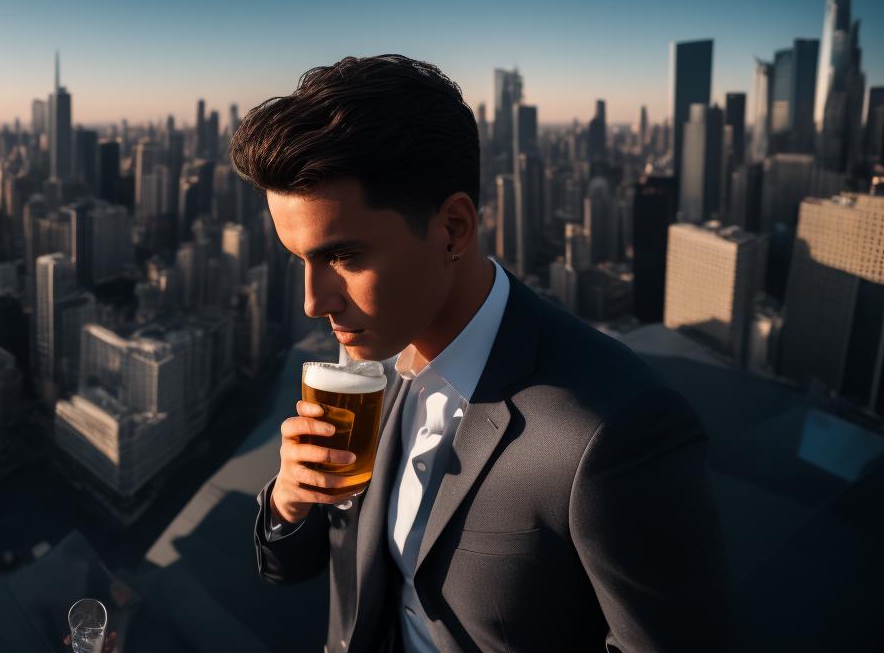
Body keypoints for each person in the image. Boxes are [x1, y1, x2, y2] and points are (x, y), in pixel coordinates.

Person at [231, 55, 729, 653]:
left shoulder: (615, 433)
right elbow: (297, 569)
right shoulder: (367, 366)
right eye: (300, 259)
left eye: (344, 257)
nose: (313, 302)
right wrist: (289, 501)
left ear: (453, 229)